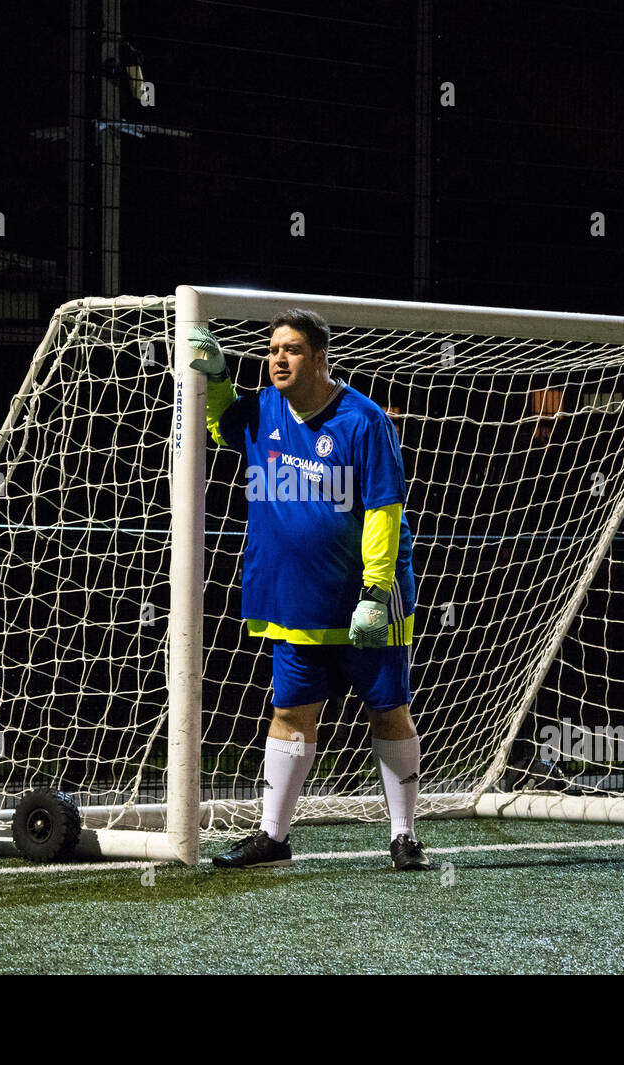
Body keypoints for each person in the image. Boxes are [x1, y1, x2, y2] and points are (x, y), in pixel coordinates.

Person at [189, 310, 429, 871]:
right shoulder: (262, 407)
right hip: (291, 595)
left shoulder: (364, 420)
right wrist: (219, 379)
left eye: (292, 349)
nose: (278, 358)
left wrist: (374, 591)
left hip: (366, 600)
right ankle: (273, 837)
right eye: (272, 348)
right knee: (291, 711)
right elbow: (222, 425)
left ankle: (403, 837)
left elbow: (383, 510)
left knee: (388, 710)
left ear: (320, 357)